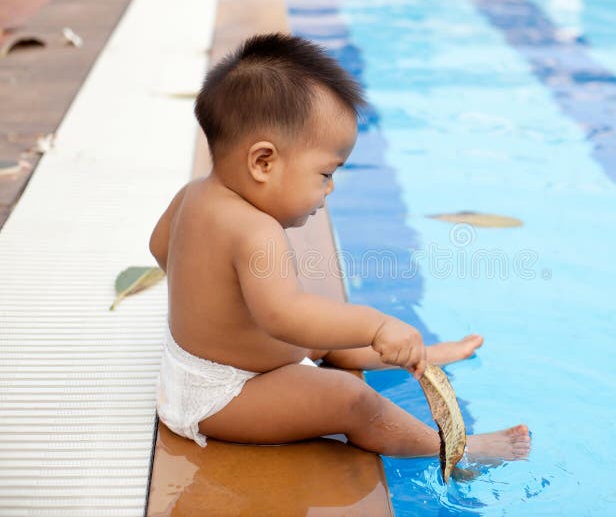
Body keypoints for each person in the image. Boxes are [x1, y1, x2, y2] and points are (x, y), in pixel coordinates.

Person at [150, 33, 530, 459]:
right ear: (263, 162)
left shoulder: (192, 194)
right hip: (223, 397)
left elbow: (160, 247)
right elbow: (284, 316)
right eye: (325, 173)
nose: (330, 189)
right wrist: (375, 324)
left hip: (199, 371)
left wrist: (213, 307)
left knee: (322, 332)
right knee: (351, 400)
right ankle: (457, 448)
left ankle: (418, 355)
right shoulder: (256, 230)